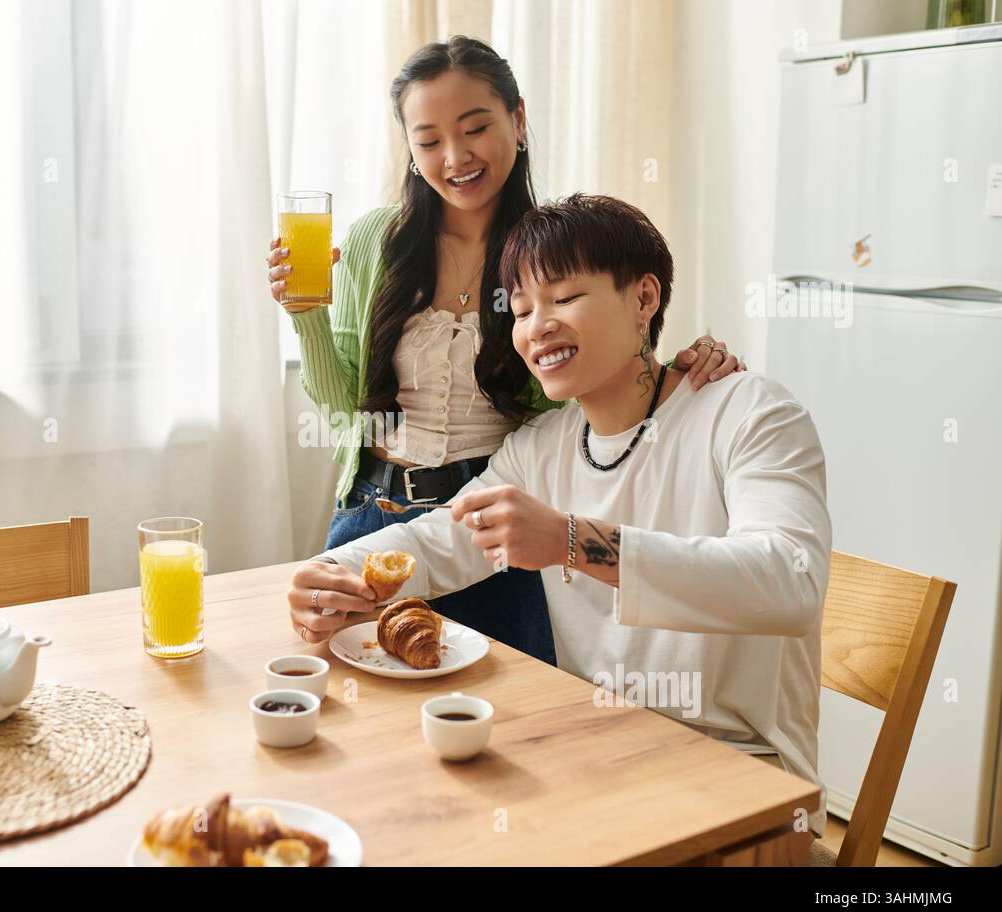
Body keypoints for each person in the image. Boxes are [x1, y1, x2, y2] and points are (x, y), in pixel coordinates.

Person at [287, 193, 831, 841]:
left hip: (742, 772)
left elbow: (789, 584)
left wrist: (575, 542)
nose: (536, 326)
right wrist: (331, 572)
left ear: (644, 298)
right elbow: (438, 541)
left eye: (565, 299)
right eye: (520, 310)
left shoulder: (748, 412)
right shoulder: (542, 447)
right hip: (594, 747)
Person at [266, 36, 744, 666]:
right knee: (362, 723)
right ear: (409, 149)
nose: (455, 157)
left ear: (518, 120)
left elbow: (593, 366)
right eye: (429, 139)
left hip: (495, 528)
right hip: (372, 516)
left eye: (474, 128)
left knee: (502, 723)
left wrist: (682, 365)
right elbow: (343, 402)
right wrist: (307, 319)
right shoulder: (373, 242)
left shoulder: (547, 253)